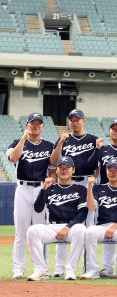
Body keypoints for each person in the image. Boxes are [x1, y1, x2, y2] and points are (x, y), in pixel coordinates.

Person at [49, 109, 100, 277]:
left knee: (89, 226)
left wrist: (93, 180)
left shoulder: (92, 140)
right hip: (67, 182)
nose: (74, 122)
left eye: (77, 119)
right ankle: (59, 268)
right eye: (72, 119)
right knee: (63, 222)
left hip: (86, 181)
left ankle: (88, 268)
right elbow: (53, 162)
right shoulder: (64, 139)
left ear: (84, 121)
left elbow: (98, 165)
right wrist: (60, 143)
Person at [8, 112, 54, 279]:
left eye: (38, 123)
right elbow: (13, 157)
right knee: (21, 232)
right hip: (23, 188)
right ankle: (18, 268)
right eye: (32, 123)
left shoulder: (49, 146)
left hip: (41, 189)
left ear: (43, 126)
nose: (35, 126)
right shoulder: (17, 142)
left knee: (41, 231)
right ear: (27, 125)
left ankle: (43, 267)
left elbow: (52, 169)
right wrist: (23, 138)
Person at [25, 156, 87, 281]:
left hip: (71, 227)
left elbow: (82, 213)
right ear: (57, 171)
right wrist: (44, 189)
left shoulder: (80, 189)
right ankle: (41, 270)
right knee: (32, 230)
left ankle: (70, 269)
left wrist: (68, 227)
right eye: (61, 168)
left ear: (73, 170)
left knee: (81, 229)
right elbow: (38, 208)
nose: (64, 170)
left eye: (67, 168)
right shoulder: (50, 188)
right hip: (53, 227)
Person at [81, 158, 117, 279]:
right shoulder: (98, 188)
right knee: (90, 231)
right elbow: (91, 207)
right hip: (102, 226)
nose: (112, 172)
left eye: (115, 170)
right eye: (109, 169)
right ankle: (93, 270)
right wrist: (89, 187)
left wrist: (115, 226)